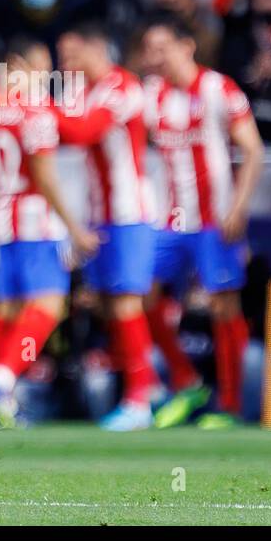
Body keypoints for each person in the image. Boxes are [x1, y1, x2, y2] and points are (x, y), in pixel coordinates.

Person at [0, 37, 98, 427]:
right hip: (38, 220)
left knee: (7, 309)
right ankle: (2, 376)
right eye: (40, 66)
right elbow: (45, 178)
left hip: (2, 220)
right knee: (49, 305)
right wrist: (75, 228)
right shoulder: (36, 112)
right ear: (18, 64)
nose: (46, 74)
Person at [140, 16, 264, 429]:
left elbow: (253, 150)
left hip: (215, 218)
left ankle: (229, 404)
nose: (155, 58)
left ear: (186, 46)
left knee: (223, 304)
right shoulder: (151, 95)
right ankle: (186, 378)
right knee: (143, 295)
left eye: (162, 48)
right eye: (150, 50)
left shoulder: (219, 89)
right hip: (170, 220)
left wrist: (239, 207)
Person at [54, 22, 158, 430]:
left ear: (95, 50)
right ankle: (147, 386)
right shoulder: (81, 89)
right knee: (110, 304)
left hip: (130, 213)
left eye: (71, 54)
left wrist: (29, 110)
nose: (66, 63)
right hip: (100, 215)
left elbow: (82, 130)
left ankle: (140, 400)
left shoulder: (124, 87)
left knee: (127, 302)